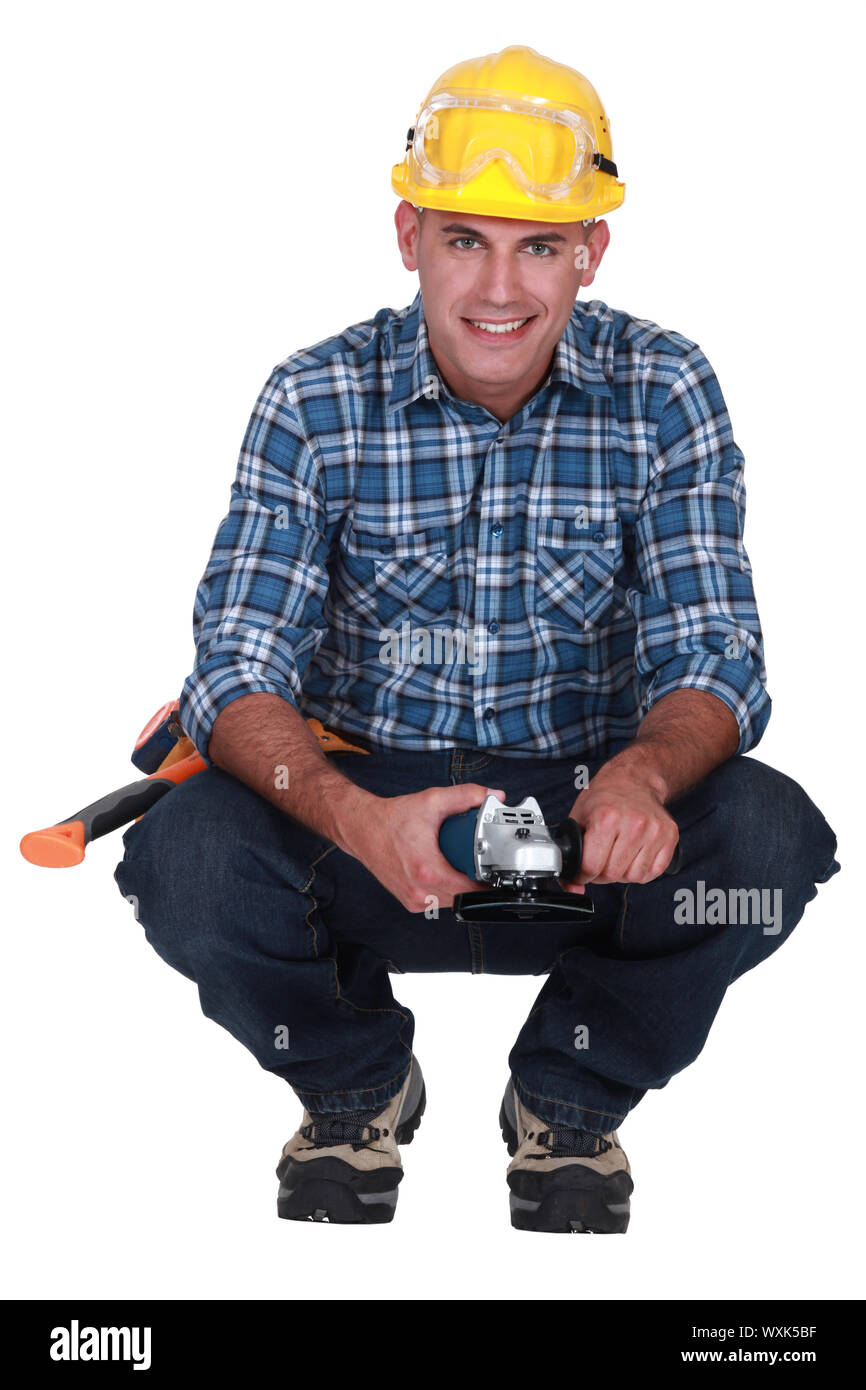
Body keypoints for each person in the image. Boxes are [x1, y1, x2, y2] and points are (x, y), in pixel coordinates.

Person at [114, 45, 840, 1233]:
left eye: (539, 245)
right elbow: (237, 668)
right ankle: (352, 1086)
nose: (499, 287)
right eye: (465, 239)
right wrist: (355, 816)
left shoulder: (662, 387)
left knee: (762, 849)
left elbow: (715, 651)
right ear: (408, 236)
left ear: (588, 253)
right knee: (182, 861)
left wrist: (642, 781)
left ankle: (567, 1093)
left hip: (583, 837)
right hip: (366, 826)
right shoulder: (314, 398)